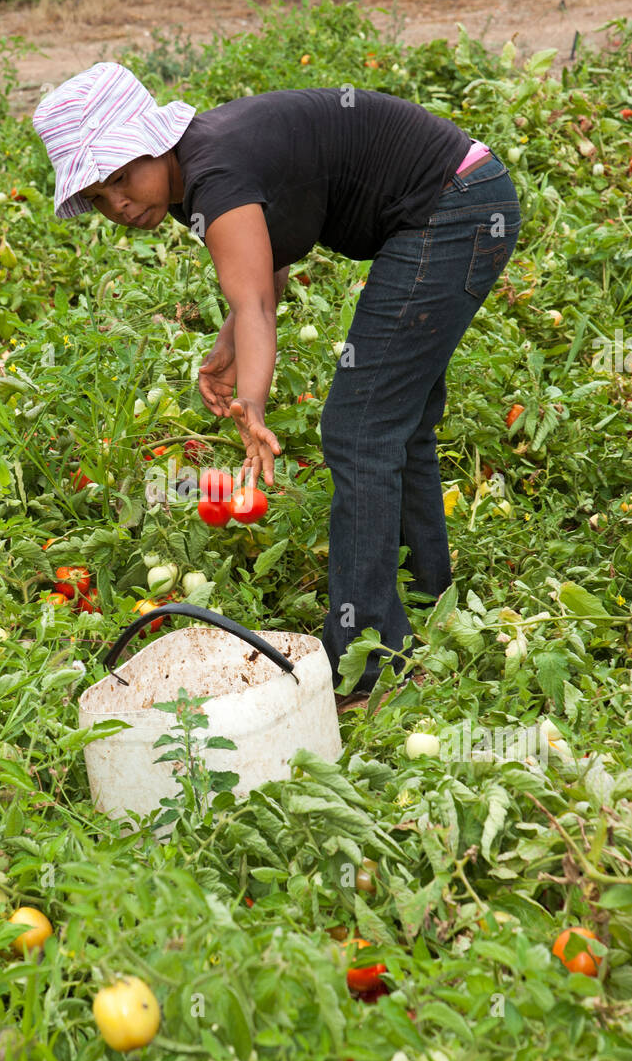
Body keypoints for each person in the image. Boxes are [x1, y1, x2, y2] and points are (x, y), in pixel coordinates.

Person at [33, 60, 522, 709]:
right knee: (395, 424)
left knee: (359, 429)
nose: (117, 203)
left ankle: (369, 665)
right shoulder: (199, 170)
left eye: (122, 175)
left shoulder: (214, 174)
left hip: (452, 211)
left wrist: (251, 401)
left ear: (155, 142)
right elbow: (268, 270)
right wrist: (224, 350)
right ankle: (427, 598)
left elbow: (259, 304)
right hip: (463, 195)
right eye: (98, 195)